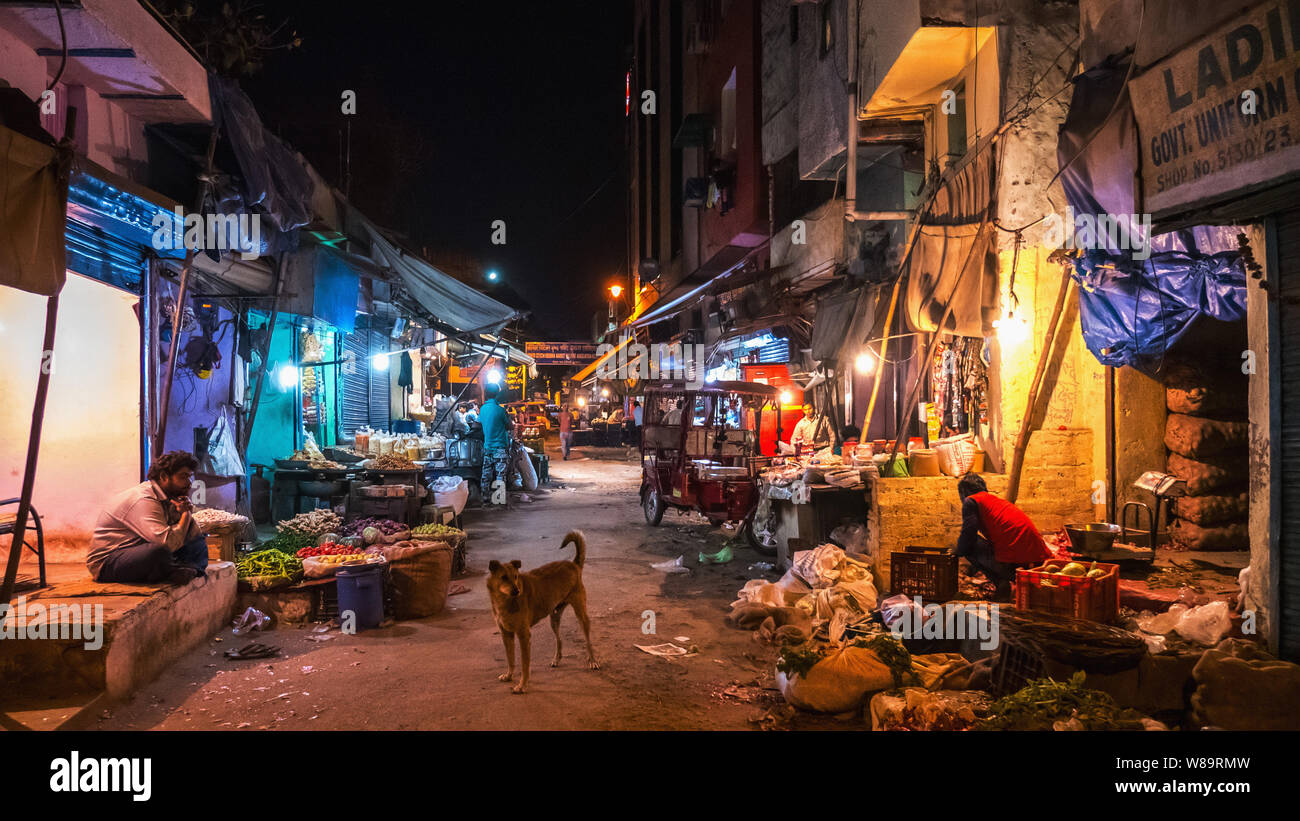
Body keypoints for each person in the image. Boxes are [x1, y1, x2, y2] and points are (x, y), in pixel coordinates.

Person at [86, 451, 209, 584]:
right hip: (108, 562)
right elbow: (167, 543)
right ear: (163, 477)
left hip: (138, 550)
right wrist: (186, 514)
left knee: (197, 541)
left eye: (190, 477)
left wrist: (185, 518)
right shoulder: (143, 499)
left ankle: (185, 571)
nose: (189, 483)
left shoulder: (169, 497)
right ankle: (173, 572)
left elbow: (189, 535)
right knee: (159, 551)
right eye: (183, 477)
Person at [951, 473, 1051, 600]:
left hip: (1017, 565)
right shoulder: (995, 501)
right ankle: (1005, 582)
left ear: (963, 493)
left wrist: (958, 551)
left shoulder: (970, 501)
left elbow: (968, 534)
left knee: (969, 544)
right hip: (1039, 563)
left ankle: (1001, 582)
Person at [478, 383, 514, 507]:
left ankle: (485, 500)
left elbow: (478, 424)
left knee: (486, 475)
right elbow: (510, 426)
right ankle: (499, 501)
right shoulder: (500, 410)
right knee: (500, 475)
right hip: (500, 448)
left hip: (487, 447)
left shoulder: (482, 409)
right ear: (497, 394)